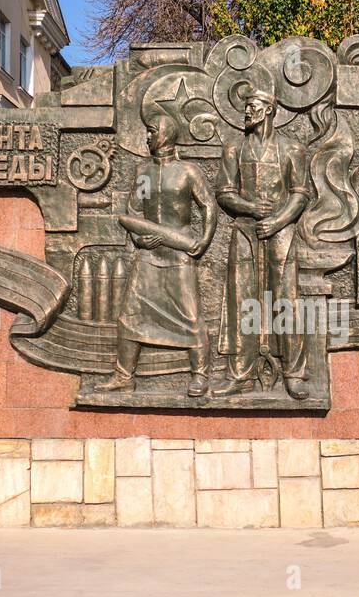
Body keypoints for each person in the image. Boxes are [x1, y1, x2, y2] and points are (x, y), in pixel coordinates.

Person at [95, 113, 218, 397]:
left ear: (165, 133)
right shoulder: (144, 173)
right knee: (131, 314)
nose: (147, 137)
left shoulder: (188, 172)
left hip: (179, 255)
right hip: (149, 255)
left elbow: (208, 206)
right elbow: (135, 210)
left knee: (190, 314)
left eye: (151, 132)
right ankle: (123, 375)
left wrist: (204, 239)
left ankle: (200, 374)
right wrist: (139, 238)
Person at [214, 88, 312, 399]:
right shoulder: (234, 149)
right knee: (242, 303)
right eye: (245, 107)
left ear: (268, 109)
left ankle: (293, 373)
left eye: (252, 106)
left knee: (287, 303)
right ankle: (241, 373)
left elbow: (300, 193)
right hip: (245, 232)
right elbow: (224, 192)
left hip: (281, 234)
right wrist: (250, 208)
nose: (247, 112)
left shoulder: (291, 148)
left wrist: (278, 220)